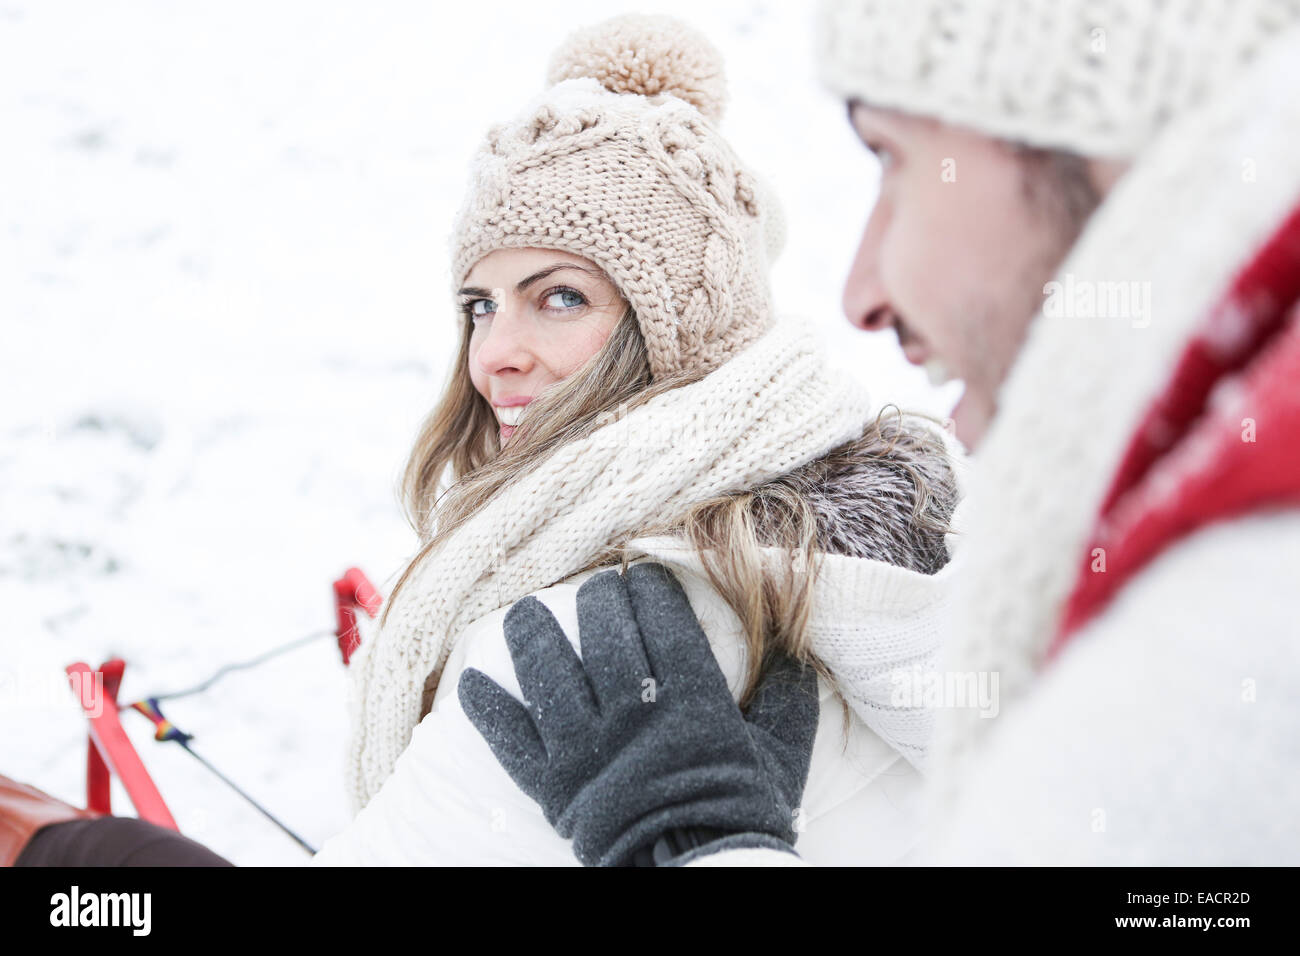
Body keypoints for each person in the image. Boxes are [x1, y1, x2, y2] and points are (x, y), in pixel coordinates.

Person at [5, 13, 960, 867]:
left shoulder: (579, 648)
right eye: (479, 305)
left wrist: (80, 855)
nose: (493, 355)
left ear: (686, 326)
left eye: (561, 296)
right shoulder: (935, 542)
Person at [462, 0, 1300, 865]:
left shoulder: (1245, 621)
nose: (860, 290)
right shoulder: (1149, 567)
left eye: (890, 157)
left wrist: (699, 845)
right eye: (477, 307)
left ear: (1109, 154)